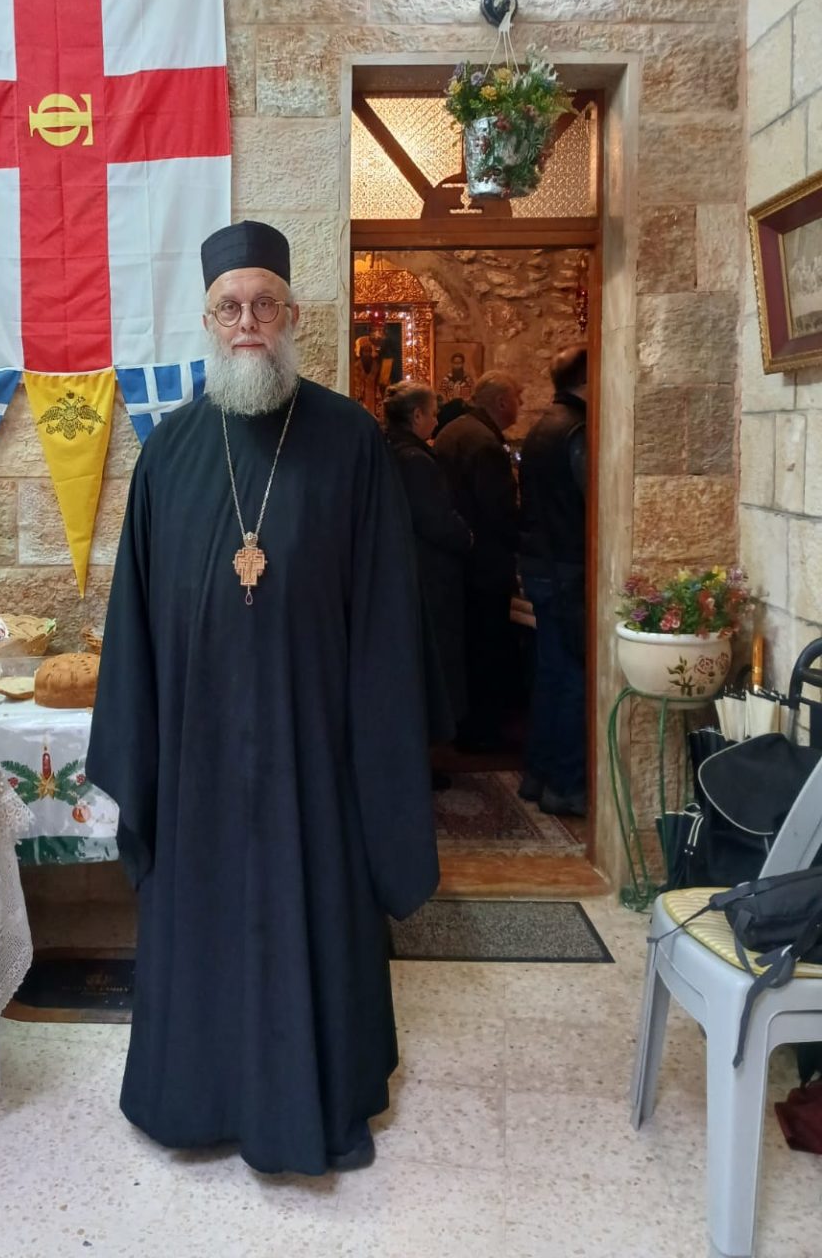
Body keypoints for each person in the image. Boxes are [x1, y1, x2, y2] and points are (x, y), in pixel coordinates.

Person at [86, 220, 439, 1178]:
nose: (248, 322)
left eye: (265, 305)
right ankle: (194, 1097)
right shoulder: (169, 454)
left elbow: (386, 615)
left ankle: (312, 1096)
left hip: (314, 752)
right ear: (209, 320)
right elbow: (135, 622)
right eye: (230, 307)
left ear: (293, 316)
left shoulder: (350, 441)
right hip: (197, 761)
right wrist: (143, 753)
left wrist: (377, 749)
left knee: (312, 913)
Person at [431, 370, 523, 749]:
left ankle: (465, 724)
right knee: (488, 647)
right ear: (502, 402)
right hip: (485, 563)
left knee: (469, 647)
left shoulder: (454, 430)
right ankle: (483, 732)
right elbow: (498, 511)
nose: (522, 403)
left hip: (459, 560)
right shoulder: (485, 443)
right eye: (518, 396)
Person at [518, 345, 588, 818]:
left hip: (543, 564)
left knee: (551, 672)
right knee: (574, 678)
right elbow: (591, 499)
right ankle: (565, 783)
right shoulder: (576, 429)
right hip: (568, 566)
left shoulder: (543, 425)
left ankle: (538, 774)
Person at [382, 381, 472, 737]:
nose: (436, 422)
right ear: (417, 415)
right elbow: (435, 519)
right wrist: (466, 536)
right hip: (429, 571)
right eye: (433, 414)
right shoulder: (416, 460)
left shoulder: (386, 449)